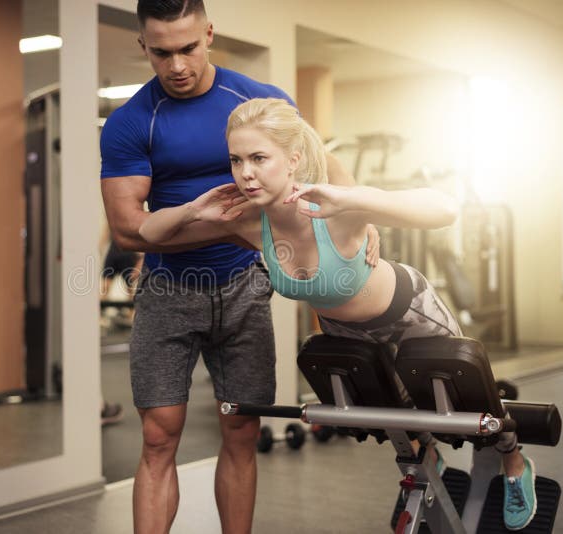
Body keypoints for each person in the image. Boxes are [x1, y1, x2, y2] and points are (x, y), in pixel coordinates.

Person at [139, 97, 539, 531]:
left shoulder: (331, 210)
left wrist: (350, 197)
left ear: (293, 160)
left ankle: (515, 463)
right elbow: (148, 233)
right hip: (345, 331)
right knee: (389, 416)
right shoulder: (247, 221)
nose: (246, 172)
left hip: (408, 313)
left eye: (259, 158)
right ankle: (428, 457)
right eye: (236, 160)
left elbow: (445, 209)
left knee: (473, 408)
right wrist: (194, 210)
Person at [100, 2, 378, 532]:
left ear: (209, 33)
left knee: (242, 430)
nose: (177, 65)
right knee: (158, 436)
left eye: (188, 48)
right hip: (169, 288)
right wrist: (229, 227)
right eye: (161, 52)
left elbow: (321, 163)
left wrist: (360, 216)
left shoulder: (257, 101)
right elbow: (128, 230)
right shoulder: (131, 122)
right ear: (143, 46)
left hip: (244, 285)